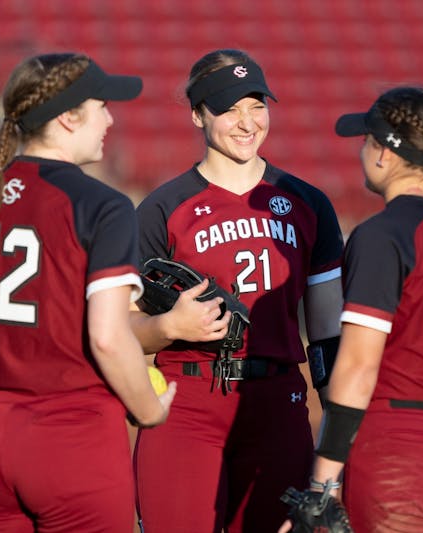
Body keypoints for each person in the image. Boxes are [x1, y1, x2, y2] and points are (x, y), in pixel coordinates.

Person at [0, 52, 176, 532]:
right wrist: (150, 411)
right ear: (69, 117)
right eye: (101, 106)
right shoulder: (102, 204)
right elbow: (108, 339)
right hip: (75, 443)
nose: (110, 118)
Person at [280, 86, 423, 533]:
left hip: (403, 449)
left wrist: (322, 485)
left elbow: (356, 369)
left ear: (386, 154)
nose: (362, 152)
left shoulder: (381, 236)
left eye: (367, 141)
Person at [131, 48, 345, 533]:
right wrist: (167, 326)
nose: (247, 122)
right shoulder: (162, 209)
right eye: (228, 108)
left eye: (257, 105)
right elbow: (125, 333)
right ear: (196, 114)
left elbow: (328, 335)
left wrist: (336, 441)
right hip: (185, 405)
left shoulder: (307, 203)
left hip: (277, 403)